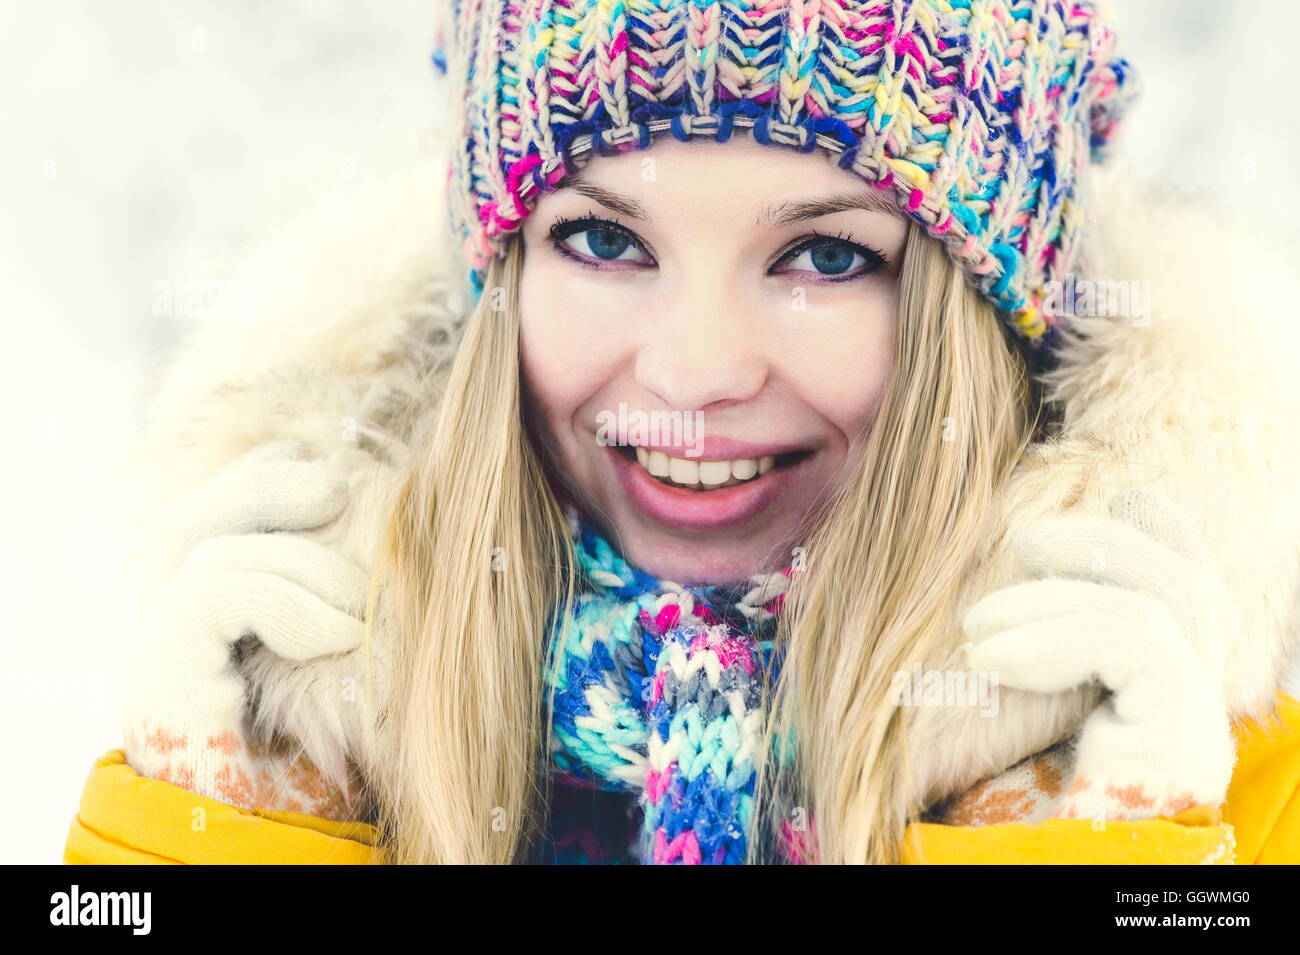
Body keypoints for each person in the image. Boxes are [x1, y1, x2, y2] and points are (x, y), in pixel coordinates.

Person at [67, 0, 1300, 865]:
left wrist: (1123, 859)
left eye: (824, 254)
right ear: (496, 283)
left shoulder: (1205, 757)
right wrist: (222, 833)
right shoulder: (295, 701)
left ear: (982, 315)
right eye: (604, 241)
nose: (695, 370)